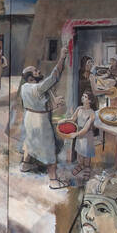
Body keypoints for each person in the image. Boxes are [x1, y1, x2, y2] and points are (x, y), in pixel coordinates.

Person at [19, 32, 70, 187]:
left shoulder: (24, 88)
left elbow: (38, 103)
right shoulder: (38, 87)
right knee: (49, 148)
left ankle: (25, 164)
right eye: (35, 71)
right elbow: (54, 77)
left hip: (29, 117)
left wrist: (54, 104)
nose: (38, 71)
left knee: (30, 141)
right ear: (30, 78)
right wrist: (62, 57)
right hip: (40, 121)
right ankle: (53, 180)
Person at [61, 90, 98, 177]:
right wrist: (65, 120)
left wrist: (75, 134)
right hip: (78, 131)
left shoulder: (92, 113)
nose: (82, 97)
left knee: (87, 152)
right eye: (83, 96)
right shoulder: (79, 108)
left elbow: (86, 128)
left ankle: (87, 167)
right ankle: (80, 165)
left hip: (87, 134)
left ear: (90, 101)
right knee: (79, 151)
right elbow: (73, 119)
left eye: (85, 97)